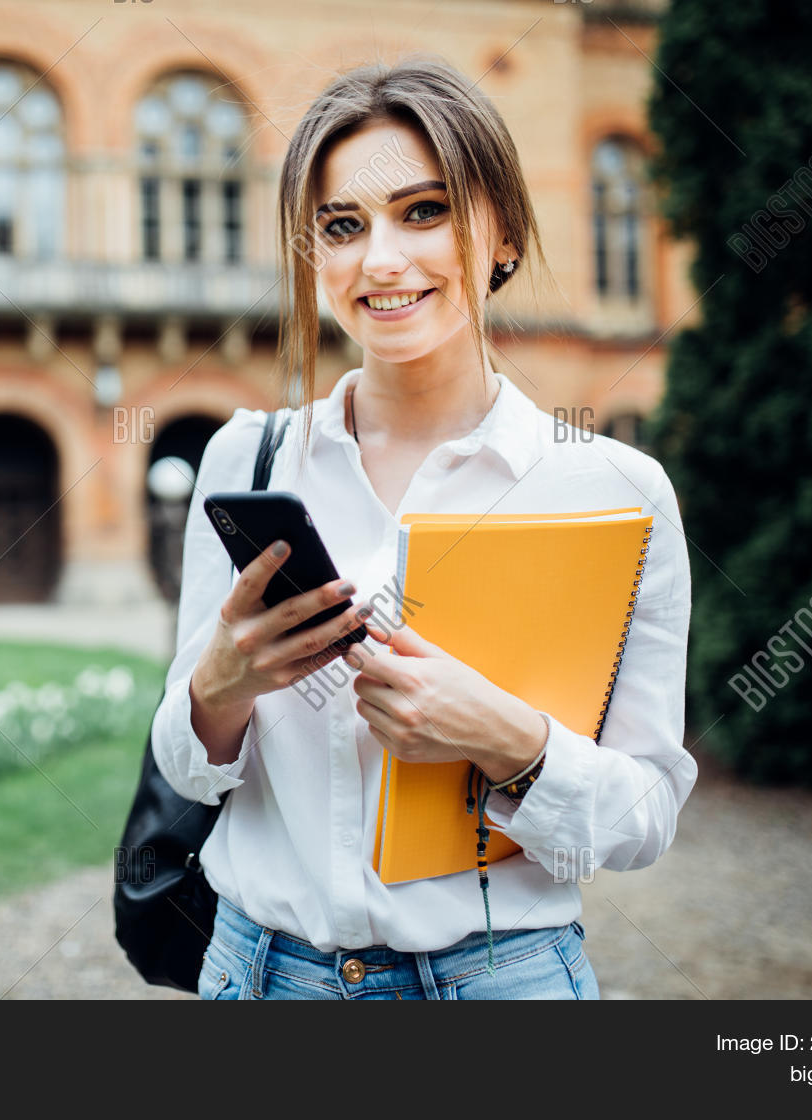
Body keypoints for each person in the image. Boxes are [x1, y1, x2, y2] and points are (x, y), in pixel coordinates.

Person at [150, 55, 695, 1000]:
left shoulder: (614, 489)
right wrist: (219, 686)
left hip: (504, 981)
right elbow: (186, 774)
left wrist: (511, 741)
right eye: (343, 226)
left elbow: (644, 818)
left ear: (503, 233)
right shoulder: (249, 462)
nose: (382, 260)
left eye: (425, 211)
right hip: (262, 974)